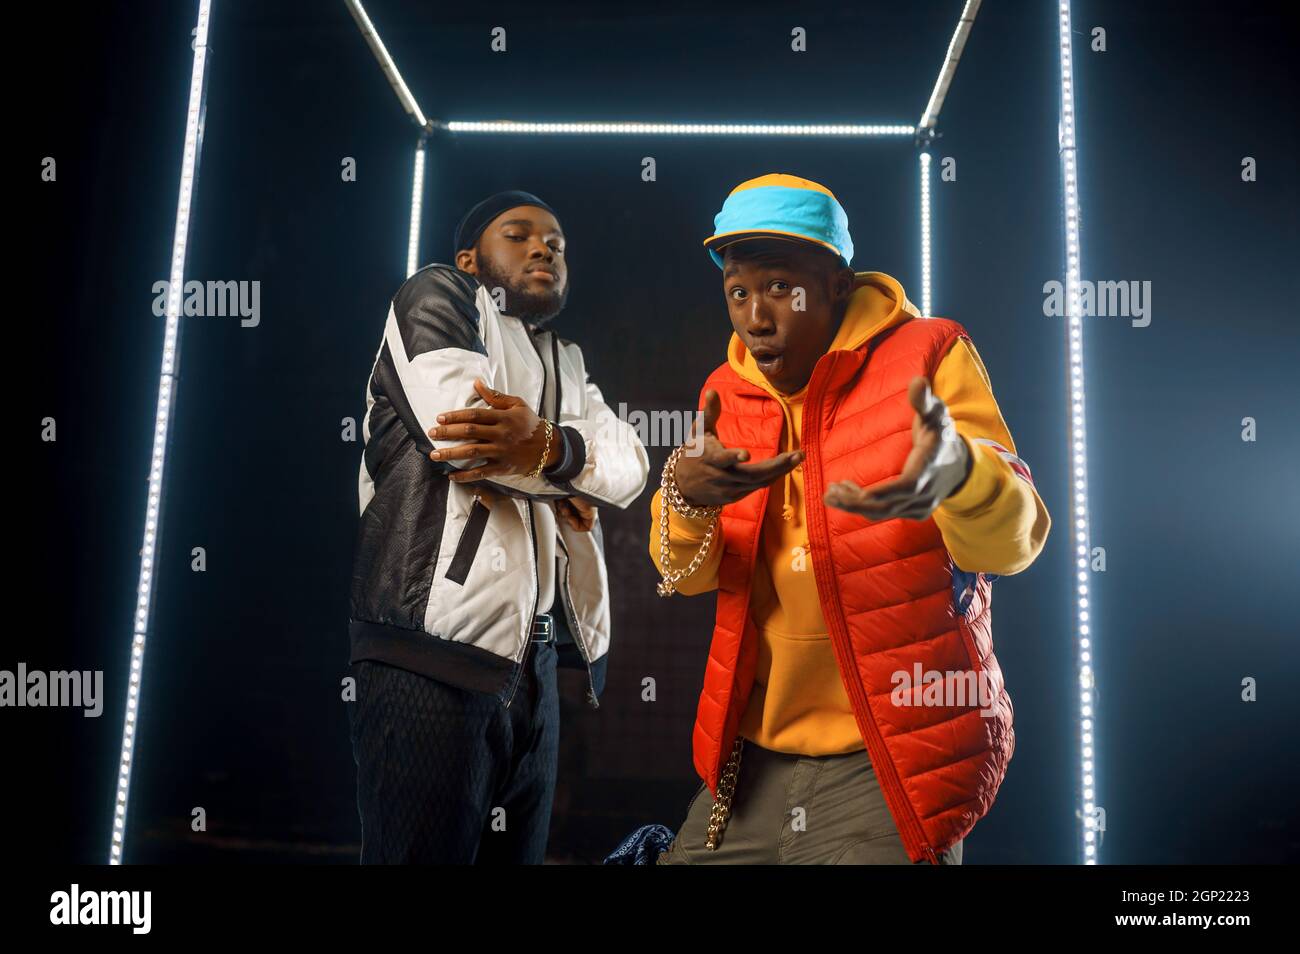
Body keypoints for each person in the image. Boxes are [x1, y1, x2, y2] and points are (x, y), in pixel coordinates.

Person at [652, 173, 1050, 864]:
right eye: (739, 292)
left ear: (836, 283)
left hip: (889, 756)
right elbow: (685, 578)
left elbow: (1012, 544)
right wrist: (685, 499)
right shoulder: (728, 389)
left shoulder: (928, 356)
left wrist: (960, 473)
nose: (756, 316)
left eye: (780, 286)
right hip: (752, 759)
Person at [348, 190, 649, 863]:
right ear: (470, 257)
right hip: (429, 650)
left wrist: (551, 449)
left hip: (533, 663)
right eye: (518, 234)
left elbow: (631, 465)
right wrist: (573, 473)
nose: (544, 247)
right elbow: (467, 439)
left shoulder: (565, 358)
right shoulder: (436, 296)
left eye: (557, 243)